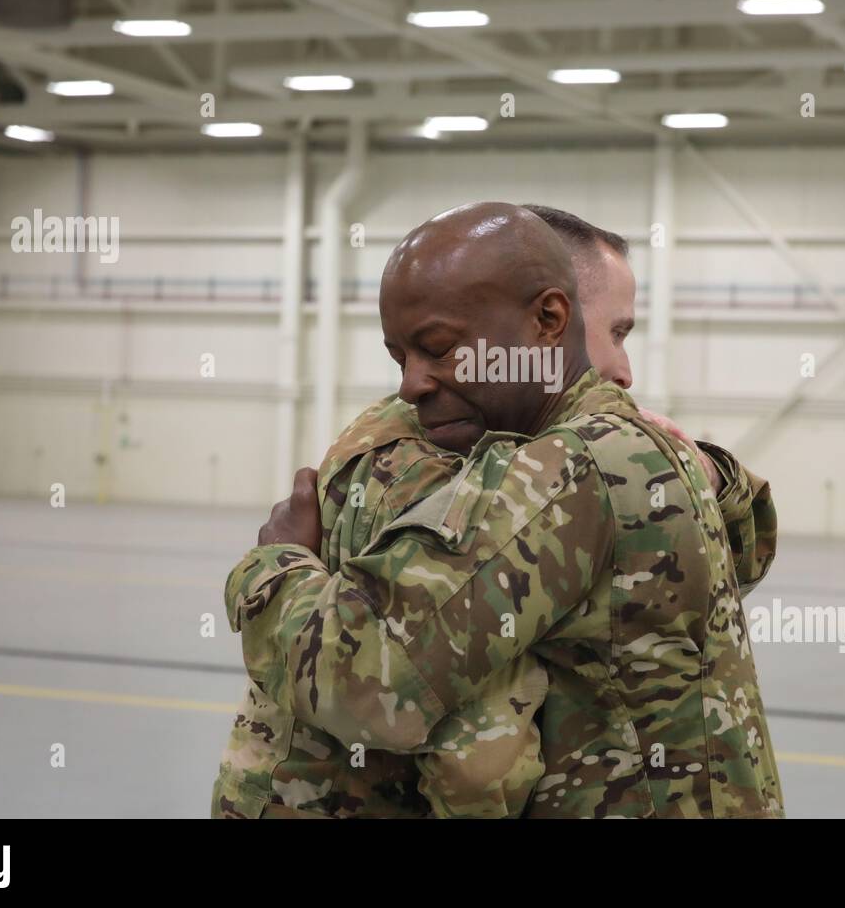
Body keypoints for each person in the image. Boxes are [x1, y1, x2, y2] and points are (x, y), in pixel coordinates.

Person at [222, 203, 783, 818]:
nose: (411, 383)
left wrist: (276, 564)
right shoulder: (628, 446)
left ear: (548, 319)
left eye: (440, 349)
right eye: (400, 356)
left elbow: (366, 682)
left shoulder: (567, 469)